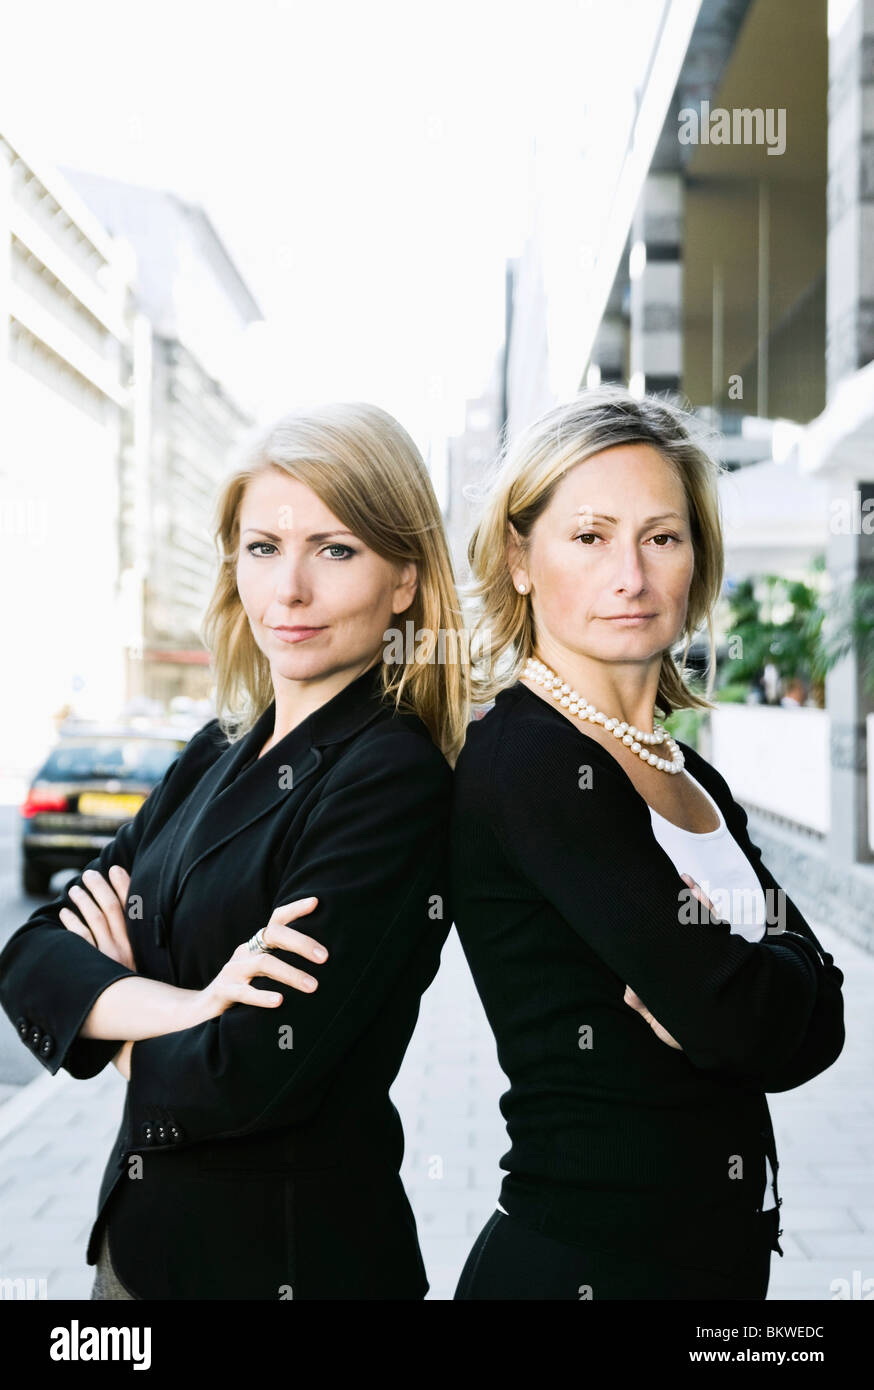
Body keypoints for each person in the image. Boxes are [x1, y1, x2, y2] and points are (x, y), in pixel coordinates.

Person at [0, 401, 468, 1300]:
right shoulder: (217, 749)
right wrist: (197, 1004)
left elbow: (242, 1076)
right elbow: (29, 956)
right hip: (135, 1251)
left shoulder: (391, 777)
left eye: (335, 550)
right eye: (263, 547)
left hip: (280, 1268)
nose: (287, 589)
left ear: (405, 579)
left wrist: (120, 1017)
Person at [450, 385, 845, 1300]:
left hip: (717, 1265)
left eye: (661, 537)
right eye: (588, 536)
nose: (630, 574)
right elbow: (741, 1020)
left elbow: (816, 1022)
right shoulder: (531, 763)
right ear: (519, 557)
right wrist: (764, 976)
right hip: (589, 1267)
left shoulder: (687, 772)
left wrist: (759, 979)